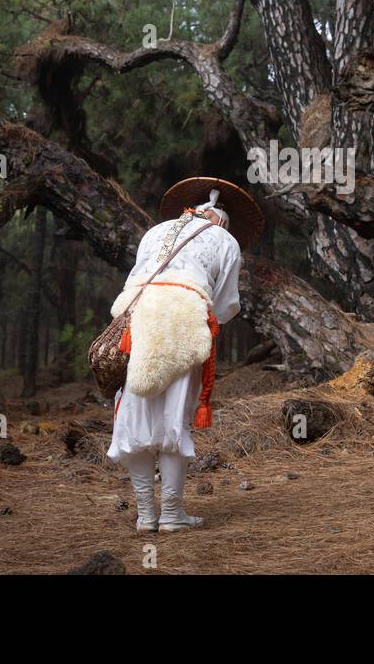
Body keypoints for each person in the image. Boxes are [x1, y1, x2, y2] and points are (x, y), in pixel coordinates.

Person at [105, 177, 262, 532]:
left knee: (136, 414)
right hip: (185, 320)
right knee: (174, 419)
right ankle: (172, 514)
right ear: (221, 220)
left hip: (137, 320)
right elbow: (226, 302)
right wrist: (208, 326)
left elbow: (135, 277)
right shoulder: (225, 240)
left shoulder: (155, 232)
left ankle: (146, 515)